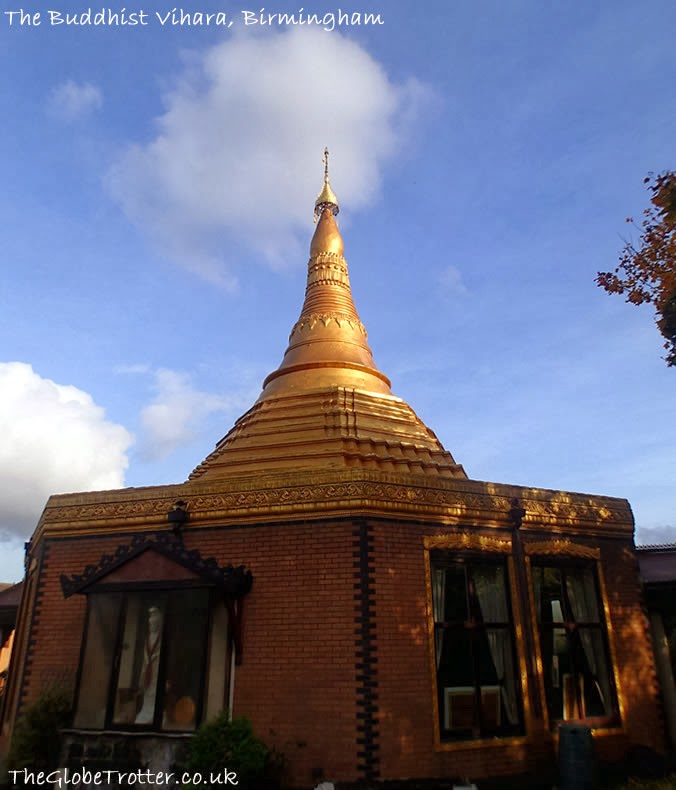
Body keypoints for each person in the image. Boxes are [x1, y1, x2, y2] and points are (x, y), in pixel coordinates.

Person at [135, 605, 163, 724]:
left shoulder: (160, 637)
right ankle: (146, 711)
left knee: (154, 688)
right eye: (151, 623)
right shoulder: (148, 637)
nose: (152, 625)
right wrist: (147, 659)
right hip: (148, 667)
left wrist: (155, 656)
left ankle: (153, 712)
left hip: (156, 667)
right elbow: (146, 650)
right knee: (147, 688)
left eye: (154, 623)